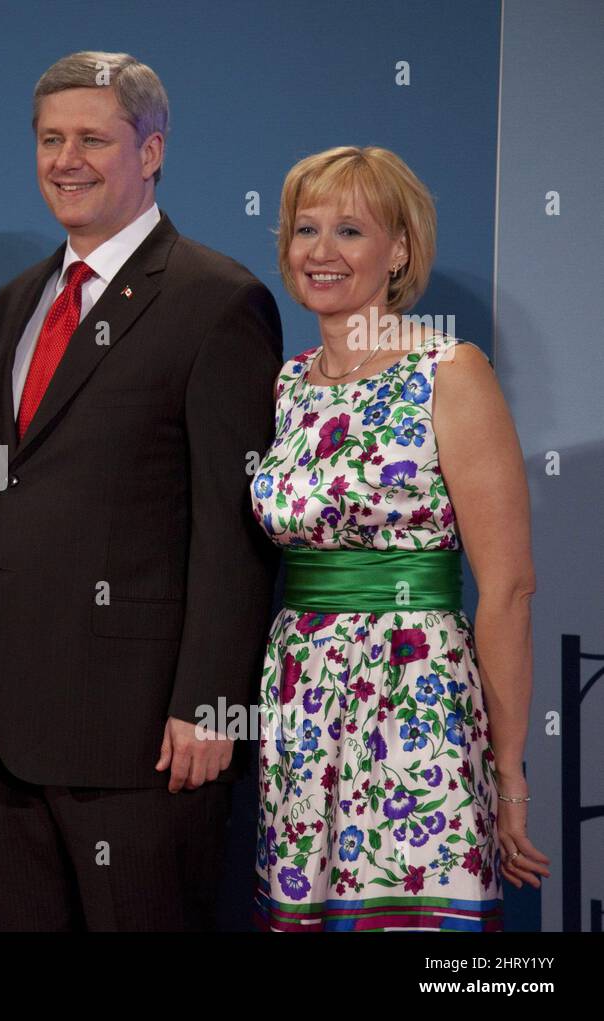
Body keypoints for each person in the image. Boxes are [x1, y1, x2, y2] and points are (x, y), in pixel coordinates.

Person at [0, 51, 283, 931]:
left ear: (151, 152)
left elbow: (233, 526)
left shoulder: (219, 301)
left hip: (144, 739)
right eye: (50, 139)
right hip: (13, 728)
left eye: (93, 138)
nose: (67, 159)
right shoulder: (18, 299)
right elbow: (3, 497)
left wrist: (212, 702)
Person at [252, 145, 550, 931]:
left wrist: (508, 771)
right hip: (300, 703)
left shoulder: (450, 370)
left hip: (413, 698)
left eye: (350, 230)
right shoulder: (286, 385)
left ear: (401, 249)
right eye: (304, 228)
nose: (320, 251)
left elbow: (509, 587)